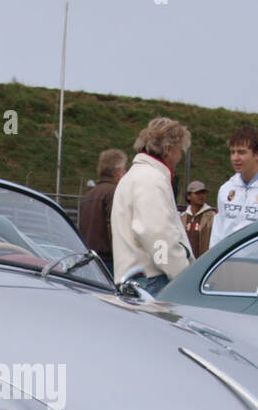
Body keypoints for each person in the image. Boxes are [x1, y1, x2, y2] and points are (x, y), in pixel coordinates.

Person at [110, 117, 193, 294]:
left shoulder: (134, 177)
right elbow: (157, 235)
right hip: (152, 281)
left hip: (134, 277)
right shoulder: (151, 180)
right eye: (180, 150)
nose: (179, 157)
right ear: (168, 150)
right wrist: (183, 276)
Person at [77, 149, 127, 271]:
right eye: (125, 169)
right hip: (110, 261)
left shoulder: (89, 195)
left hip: (90, 259)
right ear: (118, 171)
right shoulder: (115, 192)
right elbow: (114, 227)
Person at [181, 180, 216, 258]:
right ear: (188, 196)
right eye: (197, 193)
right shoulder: (183, 218)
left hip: (203, 262)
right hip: (185, 262)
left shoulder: (212, 217)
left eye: (203, 193)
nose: (201, 196)